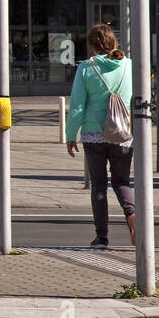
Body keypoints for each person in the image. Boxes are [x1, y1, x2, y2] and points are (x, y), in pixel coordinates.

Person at [64, 23, 136, 249]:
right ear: (114, 42)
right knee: (122, 181)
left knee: (98, 185)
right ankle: (132, 215)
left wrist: (70, 135)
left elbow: (77, 106)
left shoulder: (86, 68)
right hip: (123, 132)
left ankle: (101, 237)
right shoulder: (129, 65)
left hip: (93, 133)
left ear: (92, 45)